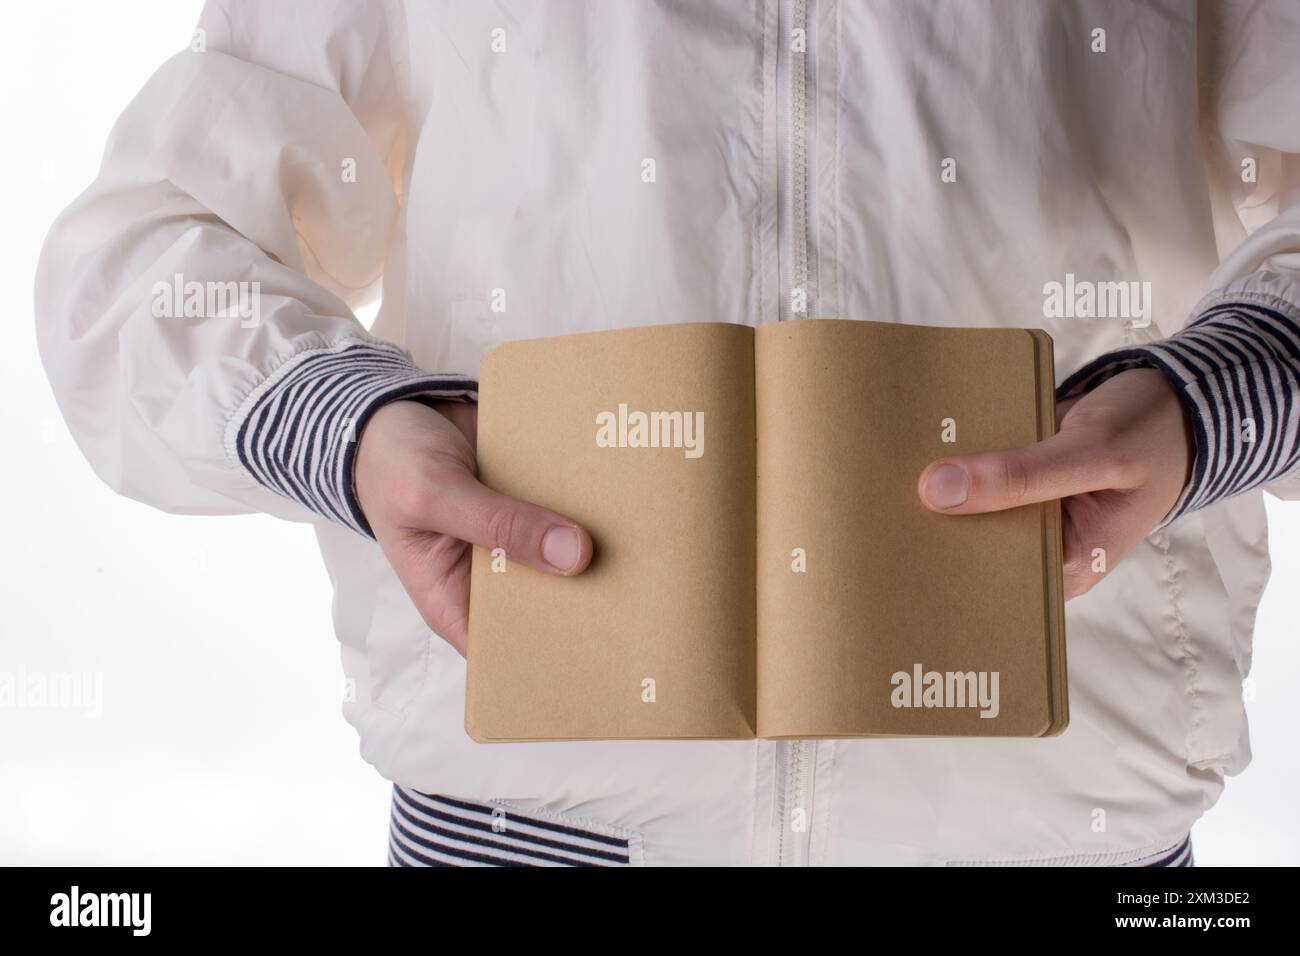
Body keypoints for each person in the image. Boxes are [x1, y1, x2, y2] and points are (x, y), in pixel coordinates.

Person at [35, 0, 1300, 866]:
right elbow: (145, 259)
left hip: (1074, 836)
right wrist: (350, 428)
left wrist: (1216, 400)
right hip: (521, 830)